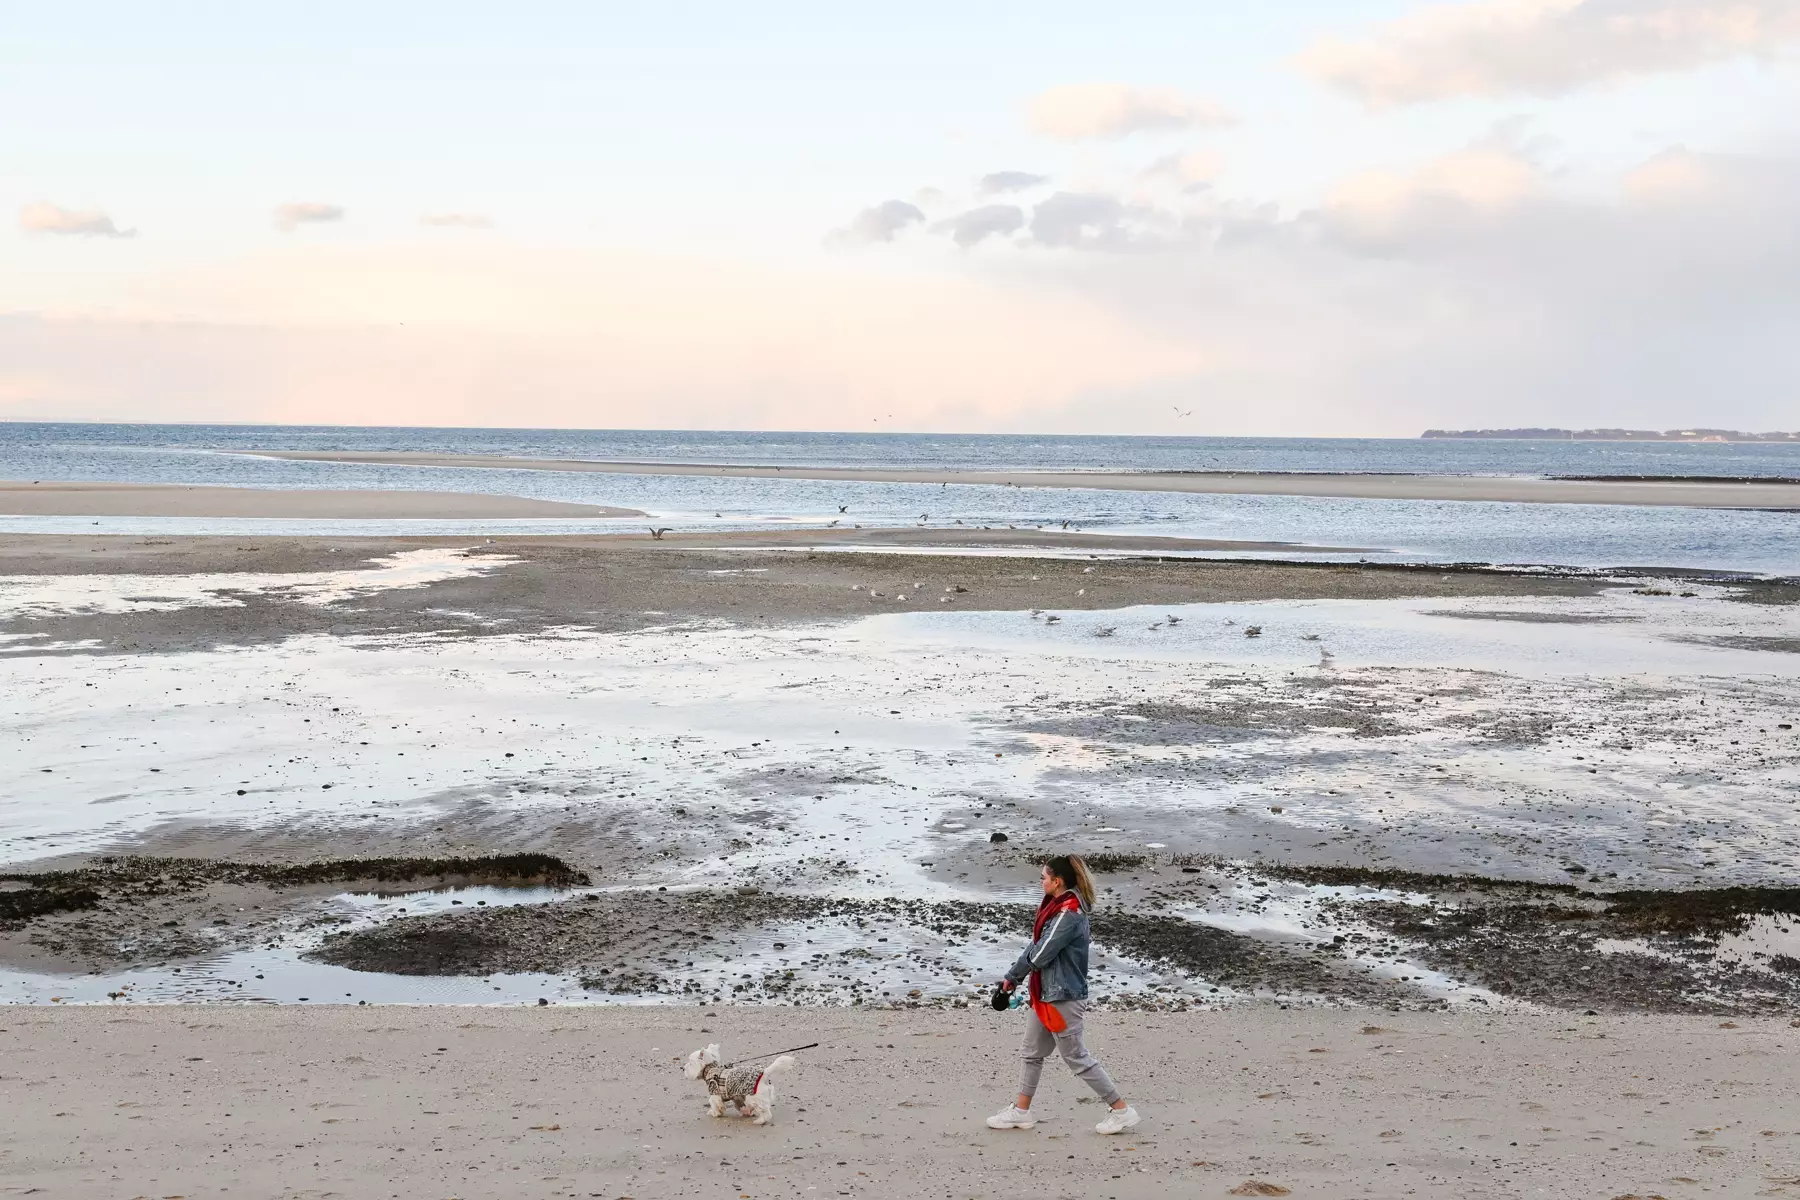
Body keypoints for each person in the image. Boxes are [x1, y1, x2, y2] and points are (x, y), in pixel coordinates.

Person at [986, 854, 1140, 1134]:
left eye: (1043, 877)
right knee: (1032, 1053)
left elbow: (1042, 954)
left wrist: (1017, 974)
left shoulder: (1069, 914)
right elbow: (1037, 946)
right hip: (1044, 994)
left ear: (1057, 882)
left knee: (1077, 1058)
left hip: (1063, 997)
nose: (1040, 881)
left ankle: (1121, 1110)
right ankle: (1021, 1112)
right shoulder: (1056, 908)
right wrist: (1011, 978)